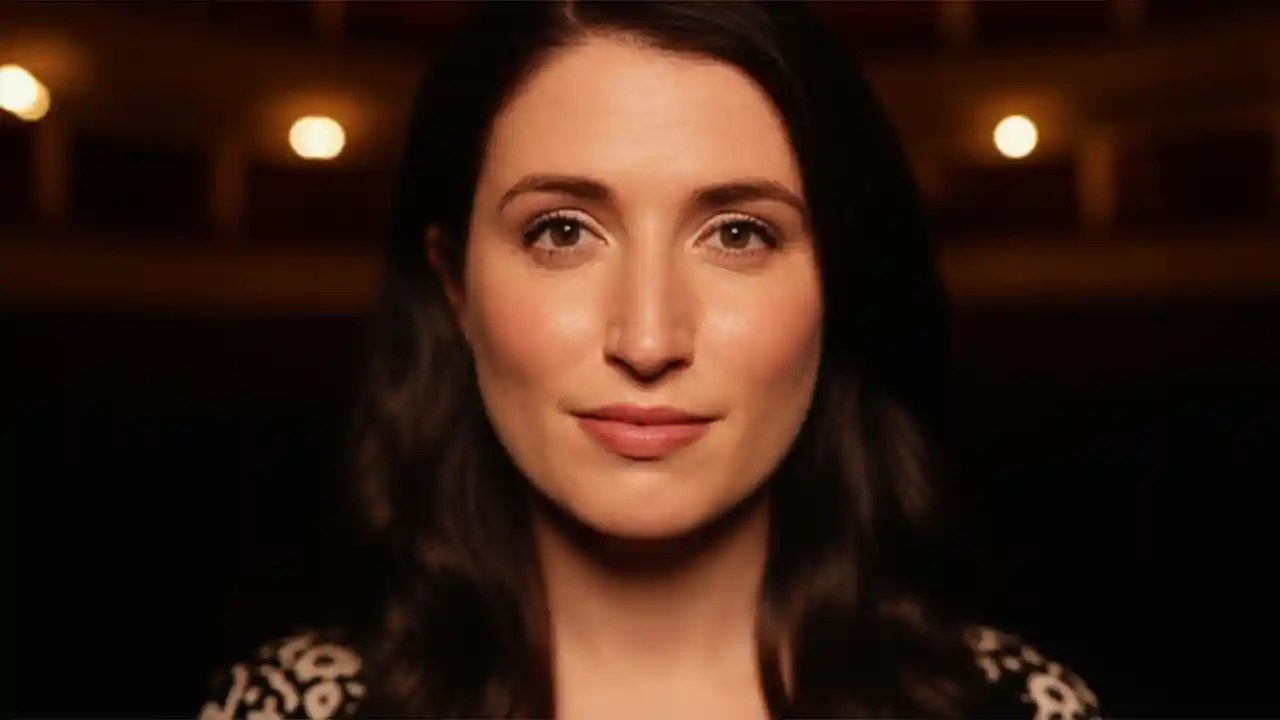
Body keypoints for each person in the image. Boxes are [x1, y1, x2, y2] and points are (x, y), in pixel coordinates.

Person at [201, 2, 1103, 718]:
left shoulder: (1017, 708)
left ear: (841, 284)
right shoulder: (293, 709)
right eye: (562, 231)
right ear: (454, 286)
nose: (646, 339)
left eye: (739, 234)